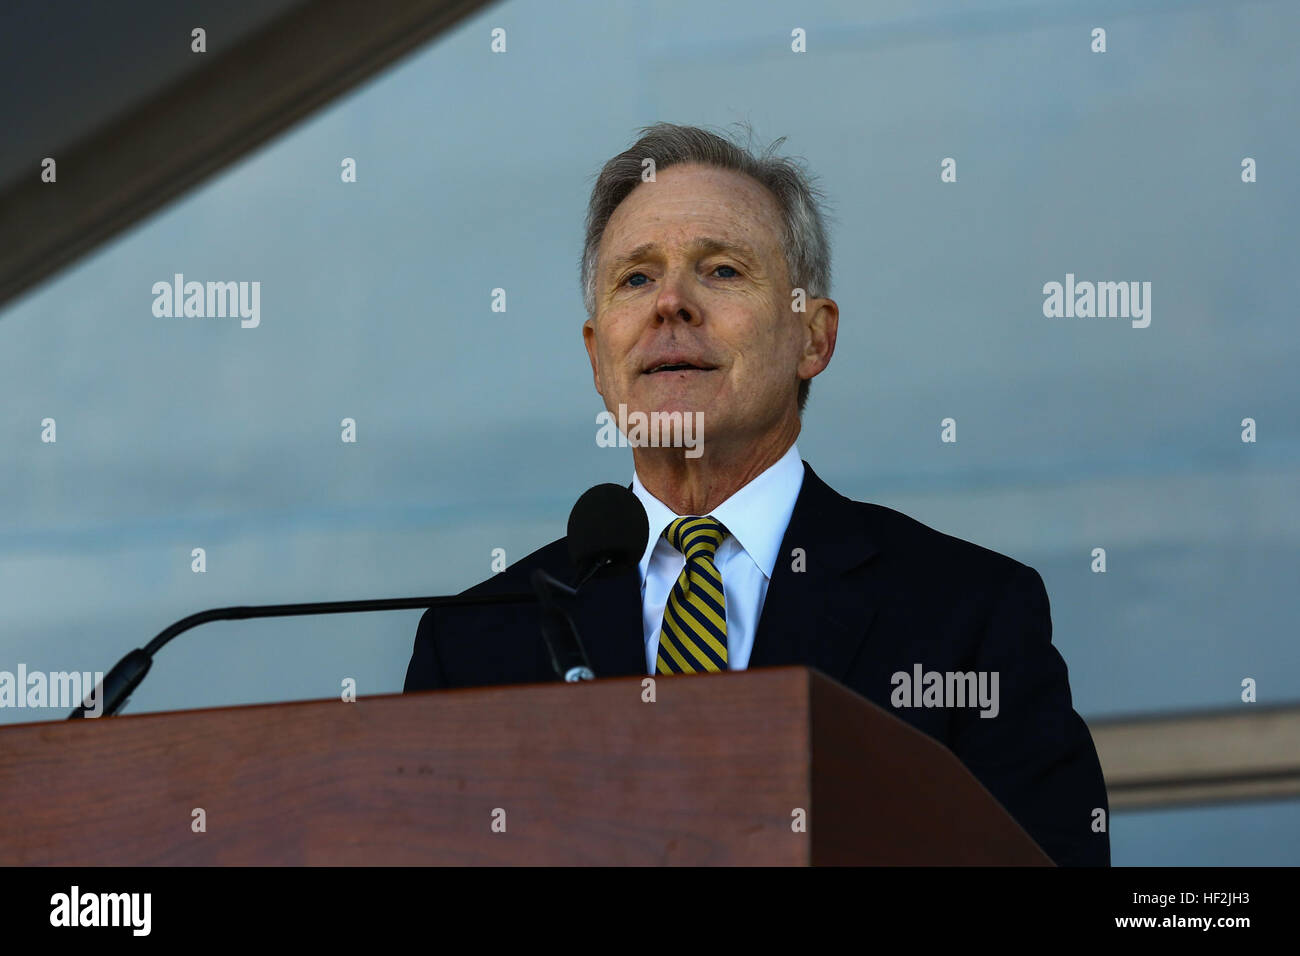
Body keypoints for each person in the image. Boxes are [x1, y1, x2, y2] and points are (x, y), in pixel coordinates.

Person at [405, 123, 1109, 866]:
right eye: (636, 278)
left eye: (722, 271)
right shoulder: (476, 643)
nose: (670, 303)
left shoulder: (969, 615)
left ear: (813, 338)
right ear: (596, 357)